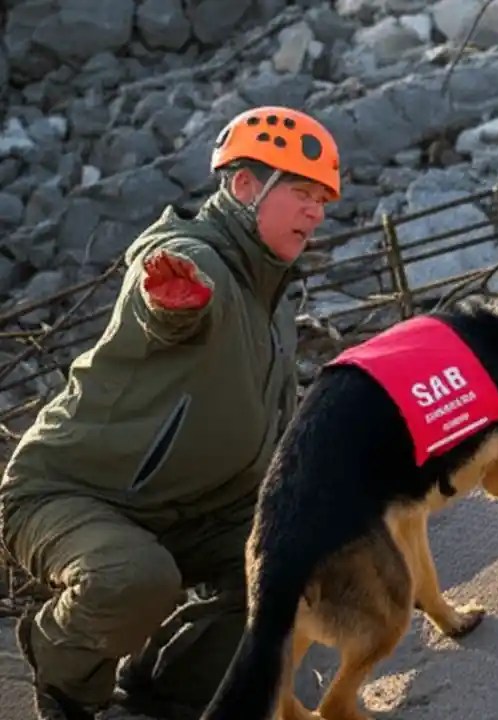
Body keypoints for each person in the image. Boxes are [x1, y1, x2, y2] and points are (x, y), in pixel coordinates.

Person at [0, 105, 342, 720]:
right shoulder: (191, 259)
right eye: (300, 192)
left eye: (322, 198)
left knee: (294, 561)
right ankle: (63, 678)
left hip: (197, 509)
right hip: (72, 494)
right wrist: (174, 299)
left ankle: (166, 688)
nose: (316, 211)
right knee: (135, 580)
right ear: (243, 186)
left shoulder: (276, 297)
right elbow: (165, 288)